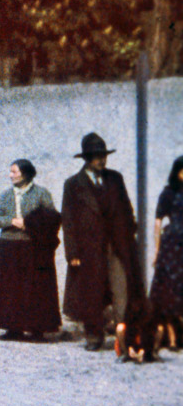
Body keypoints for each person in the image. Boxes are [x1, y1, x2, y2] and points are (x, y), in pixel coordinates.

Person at [61, 133, 145, 352]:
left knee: (122, 289)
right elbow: (68, 220)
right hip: (88, 249)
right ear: (87, 159)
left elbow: (127, 208)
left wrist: (129, 233)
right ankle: (94, 335)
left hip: (117, 245)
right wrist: (72, 253)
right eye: (97, 157)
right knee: (92, 292)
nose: (102, 160)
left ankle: (124, 336)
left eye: (103, 156)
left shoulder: (115, 178)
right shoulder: (73, 184)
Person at [0, 161, 61, 341]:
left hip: (33, 247)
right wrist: (12, 221)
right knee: (10, 288)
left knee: (35, 288)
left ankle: (37, 330)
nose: (11, 175)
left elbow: (52, 218)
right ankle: (13, 329)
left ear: (25, 174)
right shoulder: (5, 195)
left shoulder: (42, 194)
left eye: (14, 171)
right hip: (8, 246)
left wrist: (30, 224)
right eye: (10, 171)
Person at [148, 156, 183, 351]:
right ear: (176, 172)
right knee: (169, 292)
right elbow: (157, 222)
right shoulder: (168, 193)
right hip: (172, 248)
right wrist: (157, 250)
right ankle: (170, 339)